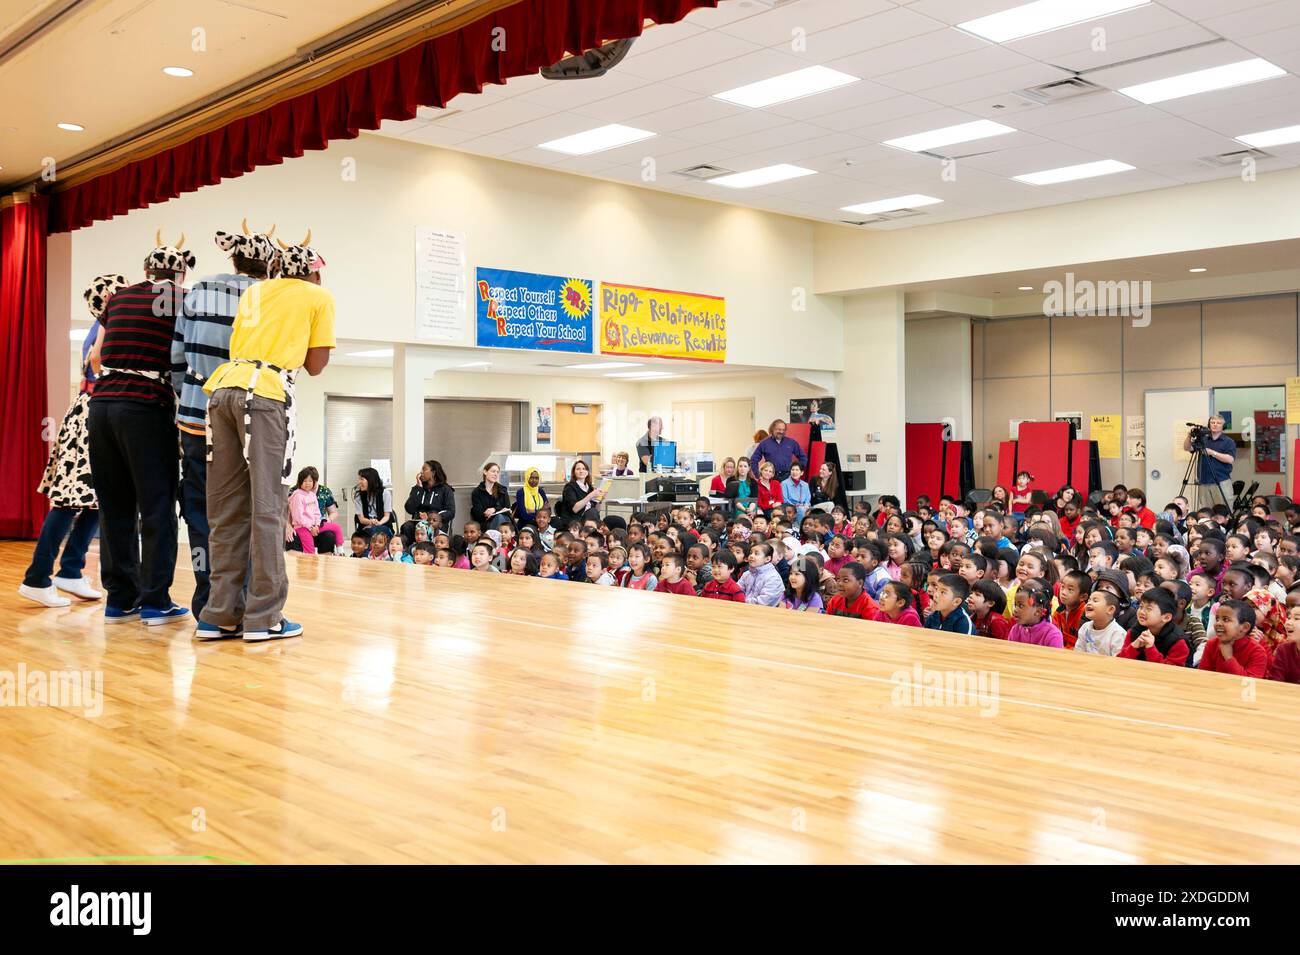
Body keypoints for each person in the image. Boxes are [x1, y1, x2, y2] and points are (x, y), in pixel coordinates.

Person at [198, 232, 335, 641]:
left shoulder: (254, 293)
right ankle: (264, 617)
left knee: (225, 506)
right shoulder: (318, 298)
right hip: (267, 395)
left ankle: (219, 614)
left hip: (221, 393)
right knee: (269, 506)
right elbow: (315, 365)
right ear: (312, 273)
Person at [88, 235, 194, 626]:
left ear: (147, 271)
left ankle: (119, 599)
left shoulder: (118, 298)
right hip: (146, 406)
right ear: (180, 273)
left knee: (114, 504)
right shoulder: (183, 299)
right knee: (156, 504)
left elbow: (97, 356)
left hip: (101, 406)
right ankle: (155, 600)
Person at [172, 222, 274, 619]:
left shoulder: (199, 289)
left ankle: (206, 600)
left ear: (233, 257)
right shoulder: (265, 295)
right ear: (269, 265)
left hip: (196, 416)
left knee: (200, 511)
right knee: (246, 511)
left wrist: (190, 396)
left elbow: (177, 357)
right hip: (245, 414)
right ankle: (239, 600)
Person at [19, 275, 128, 608]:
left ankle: (70, 569)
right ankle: (37, 577)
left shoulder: (104, 322)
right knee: (70, 501)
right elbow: (97, 360)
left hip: (89, 411)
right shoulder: (107, 323)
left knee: (99, 498)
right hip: (90, 414)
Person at [1118, 587, 1189, 666]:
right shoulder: (1134, 631)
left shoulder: (1178, 641)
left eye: (1149, 609)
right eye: (1141, 607)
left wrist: (1150, 649)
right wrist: (1134, 646)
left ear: (1166, 617)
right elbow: (1120, 662)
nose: (1142, 612)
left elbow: (1172, 672)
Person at [1200, 600, 1269, 677]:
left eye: (1226, 619)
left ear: (1245, 627)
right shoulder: (1211, 644)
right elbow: (1203, 677)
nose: (1218, 623)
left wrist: (1229, 658)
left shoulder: (1257, 652)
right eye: (1217, 619)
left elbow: (1249, 684)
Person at [287, 466, 345, 554]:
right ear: (300, 482)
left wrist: (317, 525)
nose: (307, 483)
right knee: (310, 551)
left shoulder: (312, 495)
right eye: (305, 481)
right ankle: (309, 565)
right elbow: (299, 517)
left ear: (314, 482)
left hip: (315, 526)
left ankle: (340, 552)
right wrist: (311, 528)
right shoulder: (297, 496)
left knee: (336, 527)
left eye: (310, 481)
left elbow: (317, 513)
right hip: (302, 527)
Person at [1183, 415, 1236, 508]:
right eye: (1212, 422)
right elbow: (1187, 448)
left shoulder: (1228, 441)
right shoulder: (1203, 439)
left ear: (1223, 426)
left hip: (1221, 481)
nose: (1215, 425)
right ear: (1209, 424)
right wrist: (1189, 436)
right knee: (1205, 511)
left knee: (1224, 510)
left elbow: (1230, 459)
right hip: (1203, 481)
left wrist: (1212, 453)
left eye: (1218, 423)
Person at [401, 460, 455, 544]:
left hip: (436, 523)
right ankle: (410, 552)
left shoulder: (445, 489)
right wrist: (418, 488)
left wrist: (431, 517)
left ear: (433, 472)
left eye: (424, 469)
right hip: (418, 522)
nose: (421, 472)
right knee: (406, 526)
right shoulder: (418, 489)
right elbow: (409, 509)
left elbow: (451, 511)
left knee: (430, 527)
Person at [1008, 580, 1064, 647]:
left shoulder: (1053, 635)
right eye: (1015, 605)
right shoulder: (1015, 630)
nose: (1015, 610)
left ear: (1038, 611)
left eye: (1021, 606)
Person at [1075, 590, 1127, 656]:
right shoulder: (1085, 627)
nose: (1089, 603)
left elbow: (1119, 661)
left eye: (1095, 601)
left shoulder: (1118, 633)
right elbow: (1078, 653)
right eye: (1089, 600)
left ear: (1110, 609)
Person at [354, 467, 396, 537]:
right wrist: (370, 522)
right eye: (359, 479)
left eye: (362, 479)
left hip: (383, 525)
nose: (359, 482)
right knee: (367, 533)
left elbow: (387, 516)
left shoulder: (385, 493)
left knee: (374, 532)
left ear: (371, 480)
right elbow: (361, 519)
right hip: (366, 526)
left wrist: (379, 523)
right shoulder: (358, 496)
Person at [561, 459, 605, 524]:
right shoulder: (569, 487)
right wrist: (590, 495)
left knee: (610, 520)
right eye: (578, 469)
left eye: (584, 469)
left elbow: (597, 510)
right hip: (575, 520)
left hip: (590, 518)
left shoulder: (590, 488)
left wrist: (600, 500)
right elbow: (575, 509)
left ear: (587, 472)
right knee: (592, 512)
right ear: (574, 472)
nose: (581, 471)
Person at [471, 462, 511, 530]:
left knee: (500, 517)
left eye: (497, 472)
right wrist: (489, 514)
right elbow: (478, 514)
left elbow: (508, 509)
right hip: (486, 522)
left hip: (504, 521)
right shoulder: (477, 492)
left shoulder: (502, 490)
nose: (495, 474)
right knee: (498, 518)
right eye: (493, 471)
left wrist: (494, 510)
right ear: (485, 472)